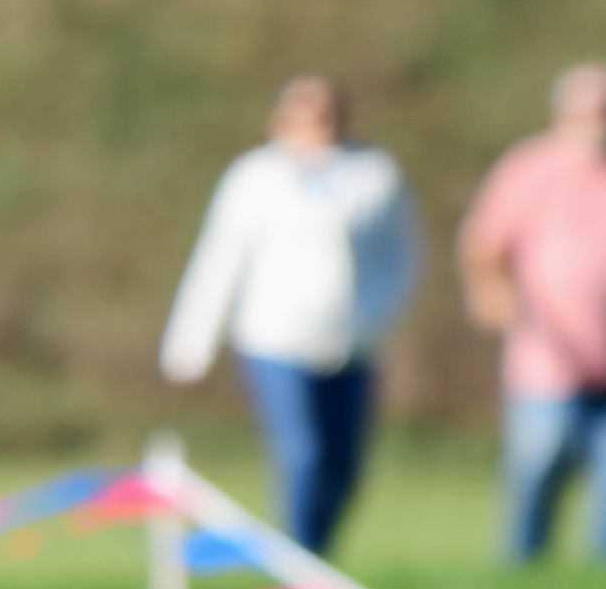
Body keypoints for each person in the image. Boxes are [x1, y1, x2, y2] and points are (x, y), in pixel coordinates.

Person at [161, 76, 421, 556]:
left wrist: (378, 315)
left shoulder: (375, 174)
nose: (316, 129)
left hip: (353, 343)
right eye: (303, 119)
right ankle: (298, 556)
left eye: (325, 118)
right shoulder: (253, 178)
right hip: (274, 339)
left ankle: (318, 556)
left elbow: (401, 255)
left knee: (343, 465)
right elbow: (219, 260)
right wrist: (190, 342)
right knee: (302, 453)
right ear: (279, 122)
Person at [459, 63, 606, 564]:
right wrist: (495, 298)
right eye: (589, 112)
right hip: (547, 365)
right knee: (535, 480)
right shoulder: (530, 170)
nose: (598, 123)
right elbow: (484, 247)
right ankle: (521, 580)